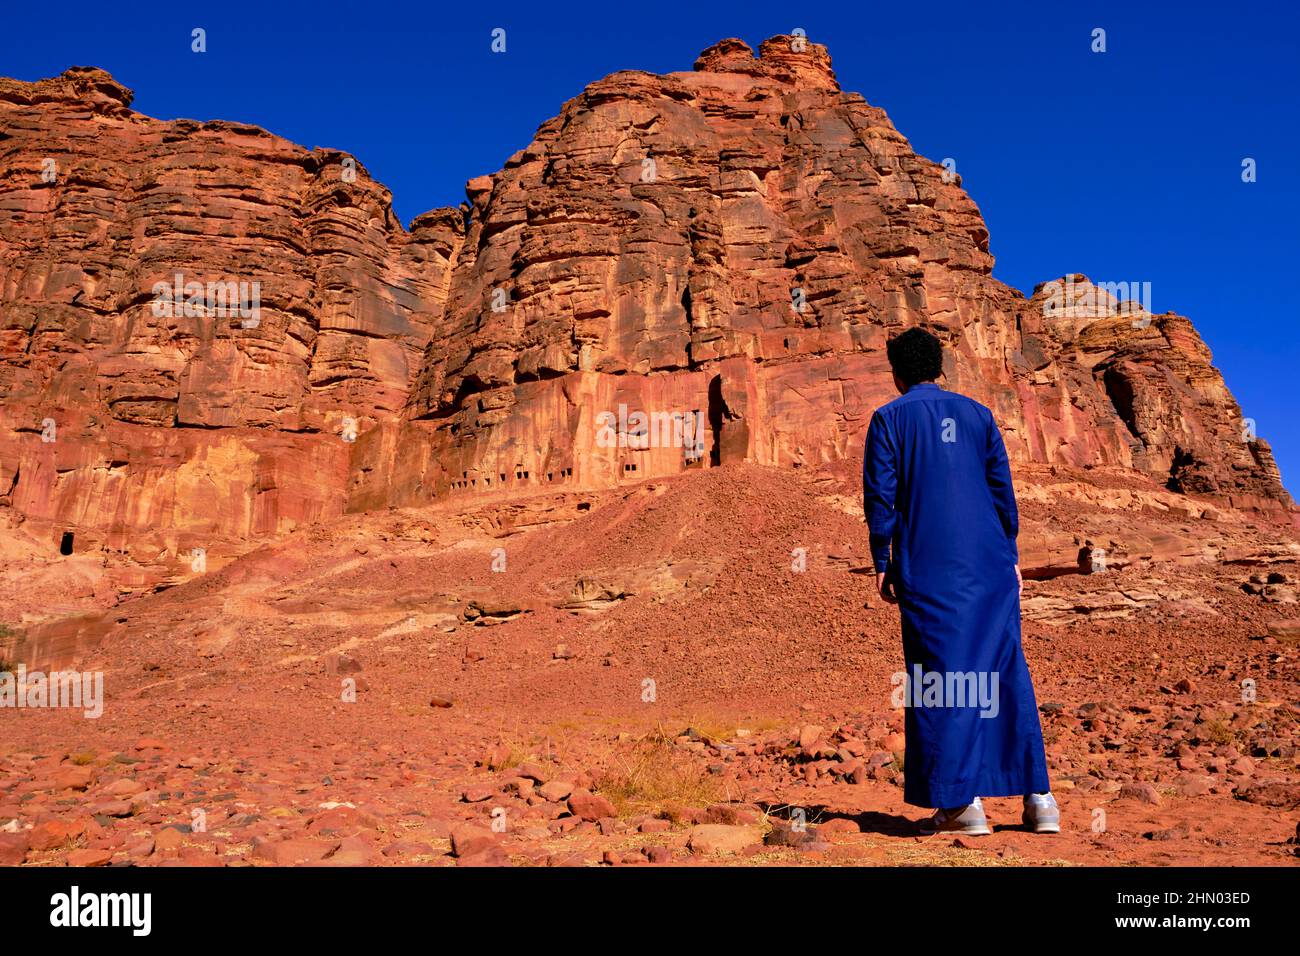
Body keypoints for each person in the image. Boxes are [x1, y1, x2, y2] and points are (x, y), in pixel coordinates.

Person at [863, 327, 1057, 835]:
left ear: (896, 373)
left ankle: (961, 803)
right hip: (990, 564)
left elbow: (881, 497)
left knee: (941, 676)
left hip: (930, 564)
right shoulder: (978, 415)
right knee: (1003, 668)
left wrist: (882, 558)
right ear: (940, 367)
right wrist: (1010, 552)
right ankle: (1040, 800)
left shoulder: (888, 419)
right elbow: (1002, 492)